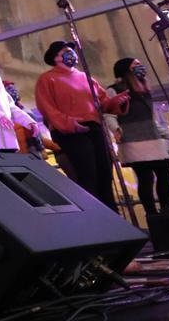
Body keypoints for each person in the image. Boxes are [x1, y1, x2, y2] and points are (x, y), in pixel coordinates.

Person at [35, 40, 129, 210]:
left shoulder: (85, 78)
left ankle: (112, 214)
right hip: (71, 132)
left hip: (94, 128)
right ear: (55, 57)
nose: (71, 53)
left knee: (105, 172)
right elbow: (47, 108)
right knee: (87, 175)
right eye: (66, 51)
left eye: (72, 50)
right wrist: (69, 123)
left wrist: (117, 101)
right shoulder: (47, 79)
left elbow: (103, 102)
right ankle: (96, 216)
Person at [107, 57, 169, 216]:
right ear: (126, 70)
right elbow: (109, 113)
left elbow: (150, 120)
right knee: (146, 177)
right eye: (135, 65)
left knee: (165, 173)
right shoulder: (115, 90)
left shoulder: (144, 91)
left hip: (153, 139)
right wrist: (116, 130)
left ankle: (166, 209)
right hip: (133, 141)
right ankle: (151, 214)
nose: (140, 67)